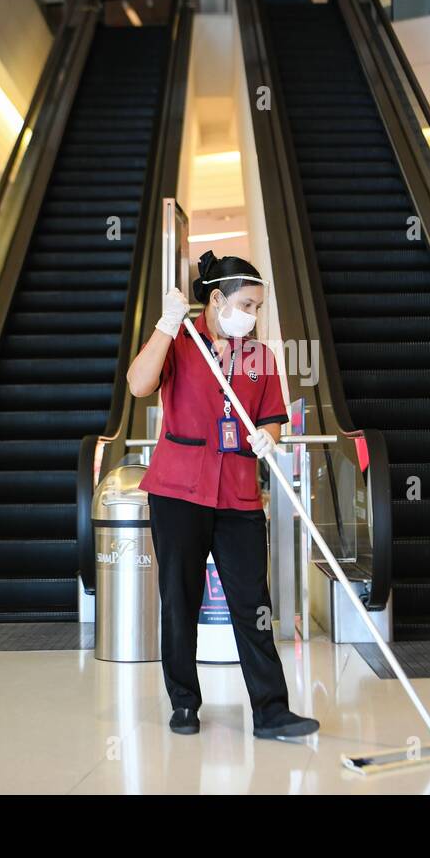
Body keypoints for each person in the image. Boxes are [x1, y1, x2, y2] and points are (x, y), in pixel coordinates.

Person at [127, 251, 319, 740]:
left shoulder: (260, 357)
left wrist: (271, 436)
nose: (252, 316)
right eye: (247, 304)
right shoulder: (181, 342)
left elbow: (275, 414)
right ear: (216, 299)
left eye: (257, 308)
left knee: (252, 602)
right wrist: (166, 326)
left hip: (238, 496)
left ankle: (272, 710)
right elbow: (138, 384)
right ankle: (185, 703)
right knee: (180, 599)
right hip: (178, 492)